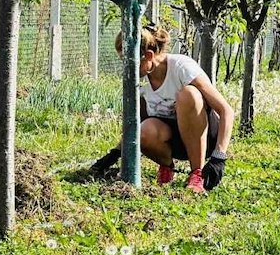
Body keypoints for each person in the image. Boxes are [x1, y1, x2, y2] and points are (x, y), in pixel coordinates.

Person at [91, 24, 234, 193]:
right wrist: (115, 153)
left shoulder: (182, 67)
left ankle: (197, 174)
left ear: (148, 56)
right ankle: (167, 168)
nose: (126, 68)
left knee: (188, 94)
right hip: (175, 142)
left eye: (129, 61)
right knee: (144, 130)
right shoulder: (140, 84)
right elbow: (137, 127)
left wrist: (219, 157)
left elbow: (226, 110)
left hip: (205, 137)